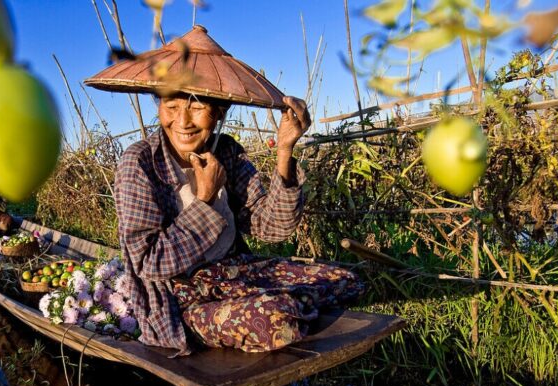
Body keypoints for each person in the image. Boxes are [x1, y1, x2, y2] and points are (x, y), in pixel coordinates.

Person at [86, 26, 364, 354]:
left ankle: (271, 300)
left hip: (234, 271)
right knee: (277, 321)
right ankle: (264, 306)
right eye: (171, 107)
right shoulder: (140, 163)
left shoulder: (227, 152)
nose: (183, 121)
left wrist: (285, 152)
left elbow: (270, 227)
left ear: (219, 113)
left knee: (346, 281)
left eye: (198, 107)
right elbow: (148, 263)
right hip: (178, 293)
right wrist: (204, 199)